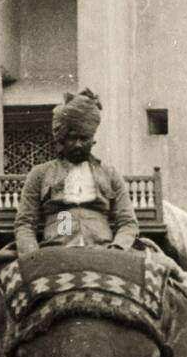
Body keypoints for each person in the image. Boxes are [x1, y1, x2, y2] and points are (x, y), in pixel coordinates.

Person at [13, 88, 139, 255]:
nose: (78, 144)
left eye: (84, 138)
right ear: (62, 139)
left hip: (104, 250)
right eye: (72, 138)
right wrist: (32, 256)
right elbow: (25, 223)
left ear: (92, 140)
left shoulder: (110, 174)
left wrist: (118, 248)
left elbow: (128, 222)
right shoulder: (40, 174)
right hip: (56, 249)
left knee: (157, 271)